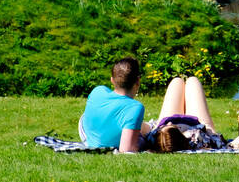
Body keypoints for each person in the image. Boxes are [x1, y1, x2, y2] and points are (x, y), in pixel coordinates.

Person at [79, 57, 219, 153]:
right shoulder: (134, 108)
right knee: (189, 81)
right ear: (138, 82)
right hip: (190, 132)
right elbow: (127, 149)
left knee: (179, 83)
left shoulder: (98, 92)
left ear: (112, 80)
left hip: (162, 129)